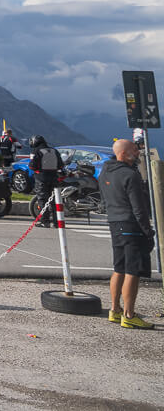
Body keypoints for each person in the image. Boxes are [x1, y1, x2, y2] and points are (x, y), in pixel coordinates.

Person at [101, 137, 155, 329]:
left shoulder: (106, 171)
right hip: (131, 225)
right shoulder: (130, 175)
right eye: (134, 149)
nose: (138, 152)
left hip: (115, 222)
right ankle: (129, 315)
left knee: (119, 268)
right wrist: (148, 231)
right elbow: (138, 207)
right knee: (133, 271)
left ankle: (114, 310)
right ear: (123, 153)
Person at [29, 135, 62, 223]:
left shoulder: (37, 151)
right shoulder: (54, 151)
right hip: (54, 178)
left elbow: (32, 166)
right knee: (55, 201)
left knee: (43, 200)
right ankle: (56, 222)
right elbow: (61, 165)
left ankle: (45, 221)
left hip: (41, 178)